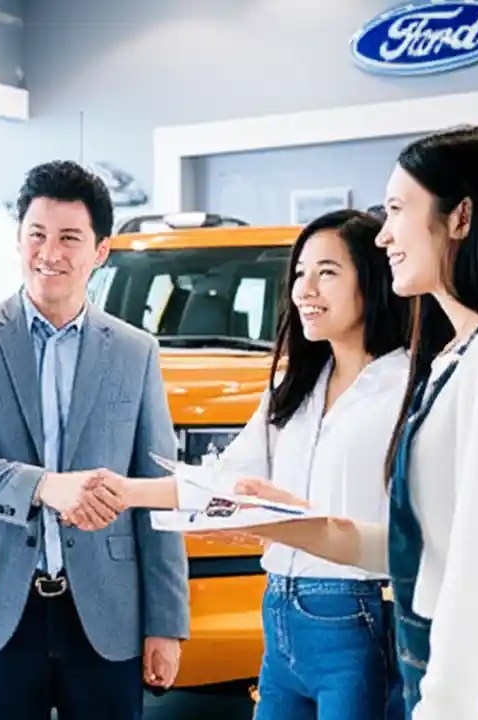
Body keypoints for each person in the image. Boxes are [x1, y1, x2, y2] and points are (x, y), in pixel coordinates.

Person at [231, 125, 478, 720]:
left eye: (398, 209)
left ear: (460, 218)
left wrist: (444, 704)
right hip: (453, 672)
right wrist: (293, 523)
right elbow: (429, 550)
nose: (383, 236)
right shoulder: (456, 357)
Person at [0, 160, 189, 719]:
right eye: (36, 235)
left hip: (107, 608)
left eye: (70, 238)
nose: (50, 253)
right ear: (19, 239)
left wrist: (166, 621)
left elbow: (158, 491)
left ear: (100, 251)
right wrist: (43, 486)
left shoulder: (136, 351)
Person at [117, 209, 409, 719]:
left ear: (375, 280)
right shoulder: (293, 388)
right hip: (279, 614)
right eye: (299, 274)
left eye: (327, 272)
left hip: (361, 615)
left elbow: (413, 531)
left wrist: (281, 516)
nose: (304, 290)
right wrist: (122, 492)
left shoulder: (406, 388)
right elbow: (228, 481)